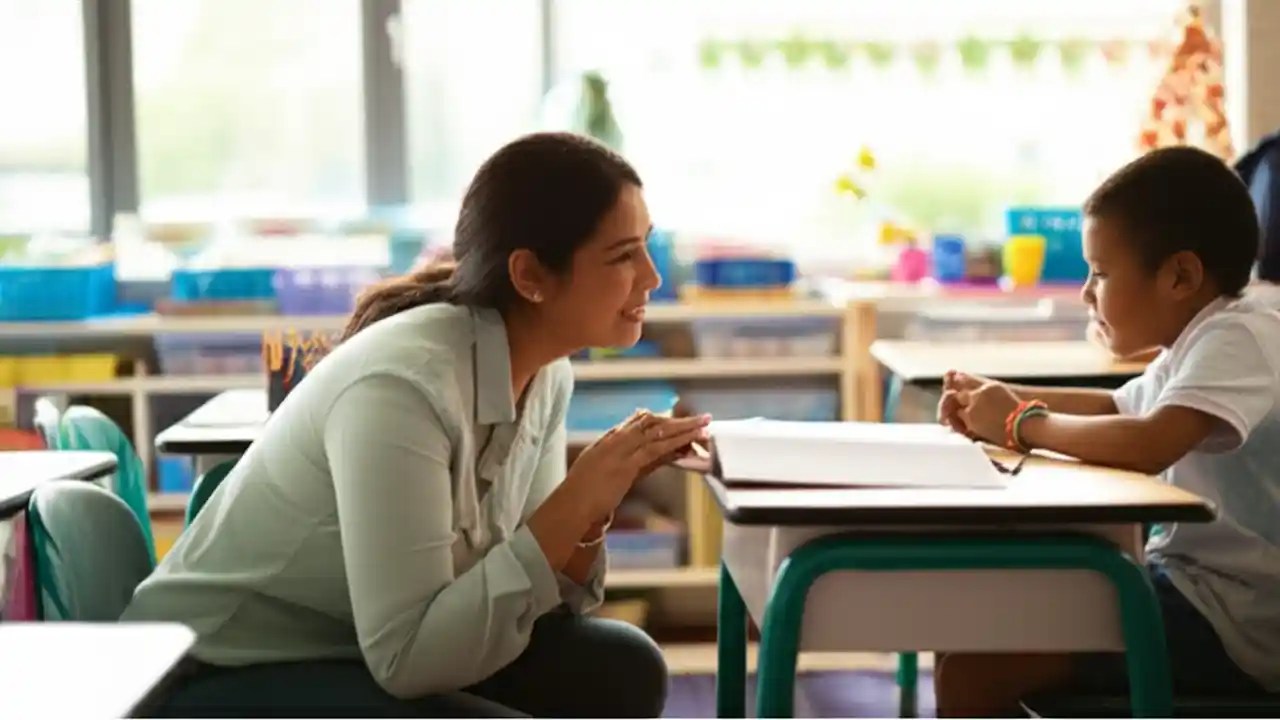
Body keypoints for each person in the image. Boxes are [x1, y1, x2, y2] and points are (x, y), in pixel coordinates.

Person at [123, 132, 710, 718]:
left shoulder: (548, 373)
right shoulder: (401, 387)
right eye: (622, 256)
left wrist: (592, 509)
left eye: (647, 248)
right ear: (530, 275)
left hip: (352, 649)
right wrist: (577, 496)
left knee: (620, 666)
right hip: (217, 672)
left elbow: (534, 608)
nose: (652, 277)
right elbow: (409, 660)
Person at [935, 146, 1280, 716]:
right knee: (969, 625)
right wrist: (996, 398)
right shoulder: (1200, 340)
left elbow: (1148, 442)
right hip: (1195, 589)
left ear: (1180, 275)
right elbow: (1119, 410)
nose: (1086, 292)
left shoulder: (1239, 336)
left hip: (1241, 620)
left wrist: (1021, 423)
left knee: (974, 673)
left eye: (1100, 272)